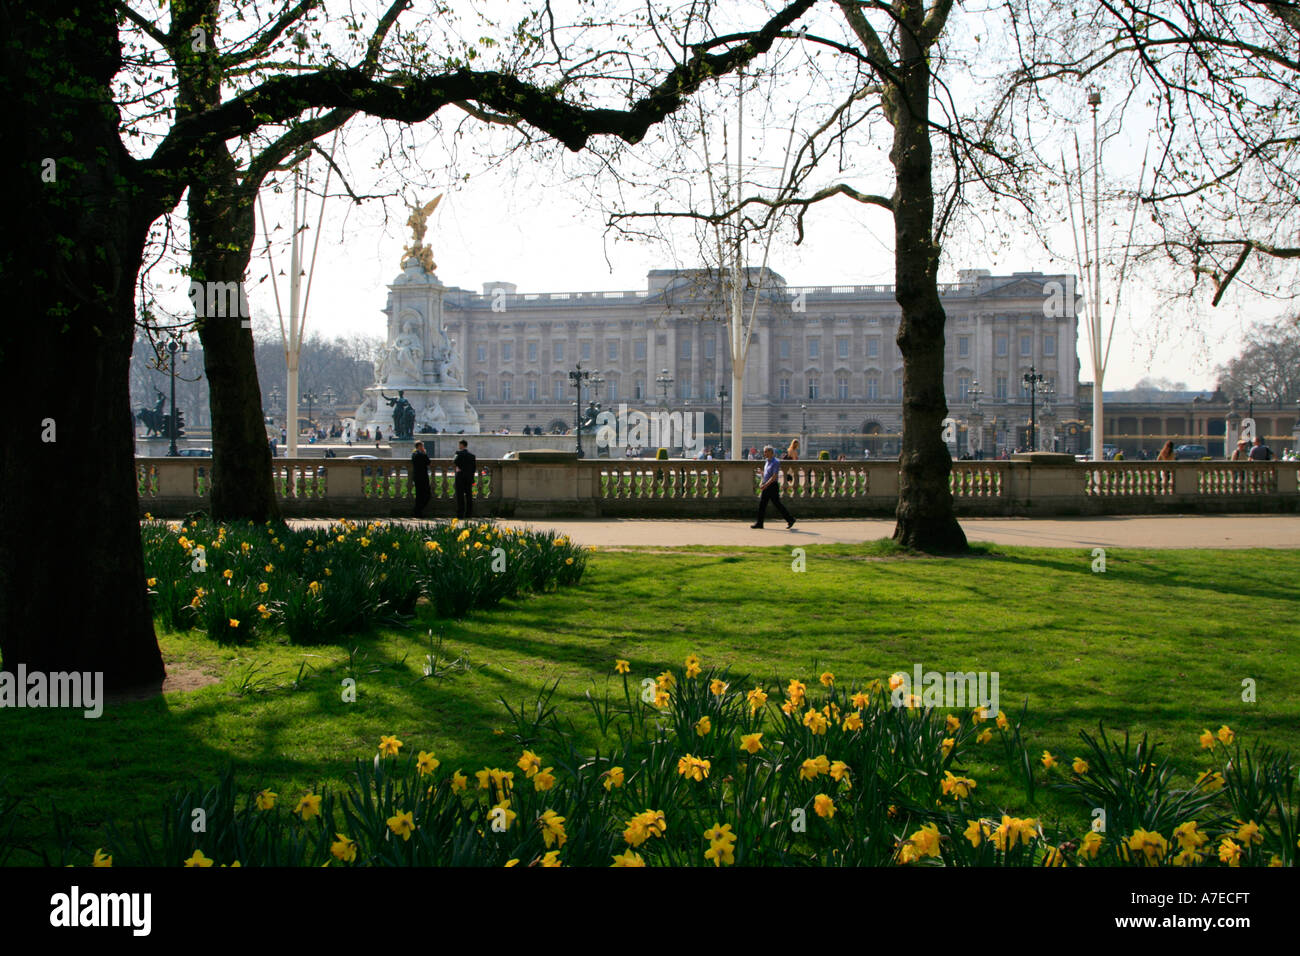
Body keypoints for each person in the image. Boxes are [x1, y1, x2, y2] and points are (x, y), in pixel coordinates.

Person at [751, 445, 795, 530]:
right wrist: (762, 473)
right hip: (768, 485)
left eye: (766, 452)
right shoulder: (767, 461)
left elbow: (774, 476)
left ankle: (790, 519)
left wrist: (765, 485)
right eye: (764, 452)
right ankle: (790, 519)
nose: (765, 454)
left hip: (772, 486)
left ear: (771, 452)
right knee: (765, 504)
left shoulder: (776, 462)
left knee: (775, 504)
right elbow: (768, 474)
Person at [454, 439, 477, 519]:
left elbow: (455, 462)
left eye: (459, 445)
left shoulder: (458, 454)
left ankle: (460, 513)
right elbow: (474, 468)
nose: (459, 446)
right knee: (469, 496)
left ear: (462, 445)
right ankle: (469, 513)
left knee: (460, 496)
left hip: (460, 477)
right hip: (469, 477)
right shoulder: (472, 456)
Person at [411, 440, 431, 518]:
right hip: (422, 477)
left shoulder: (414, 454)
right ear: (419, 446)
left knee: (419, 495)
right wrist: (425, 453)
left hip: (417, 477)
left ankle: (417, 511)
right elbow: (428, 462)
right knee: (426, 494)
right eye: (422, 446)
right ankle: (418, 511)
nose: (423, 447)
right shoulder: (420, 454)